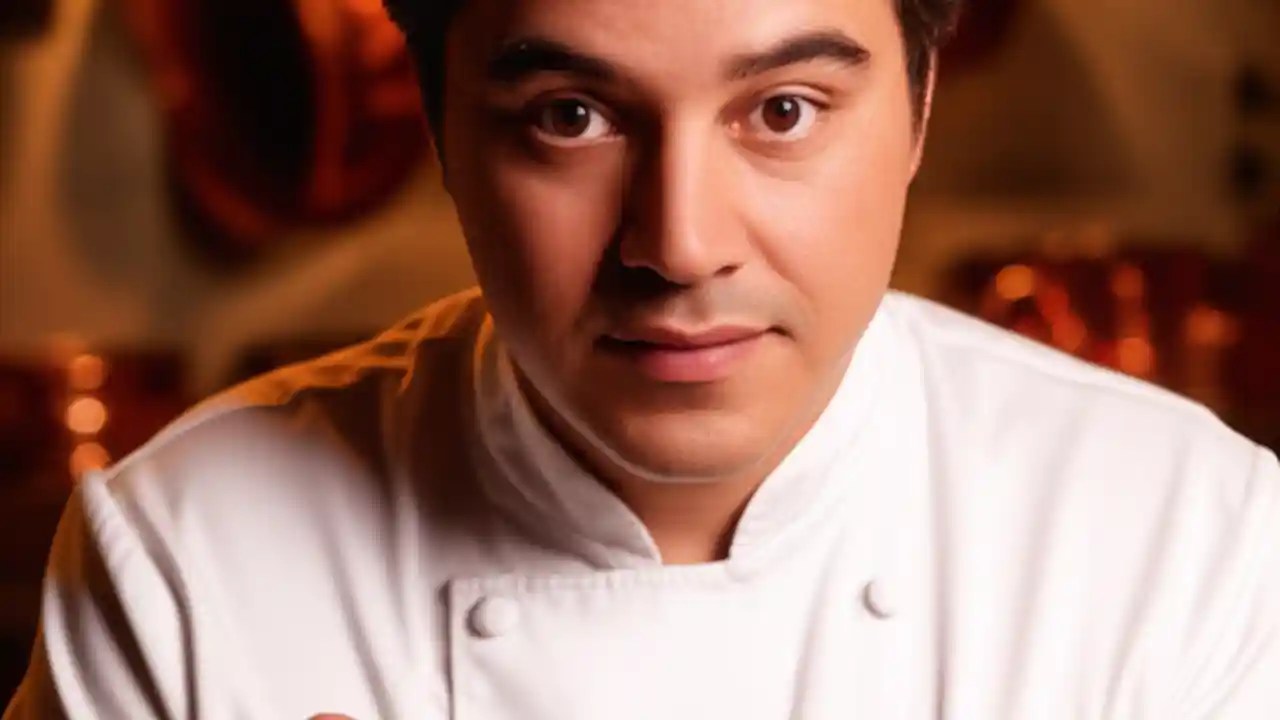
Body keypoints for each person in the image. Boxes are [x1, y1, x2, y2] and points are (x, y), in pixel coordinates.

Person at [6, 0, 1279, 717]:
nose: (677, 244)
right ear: (447, 136)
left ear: (919, 113)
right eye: (570, 117)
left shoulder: (1180, 543)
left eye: (781, 112)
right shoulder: (182, 561)